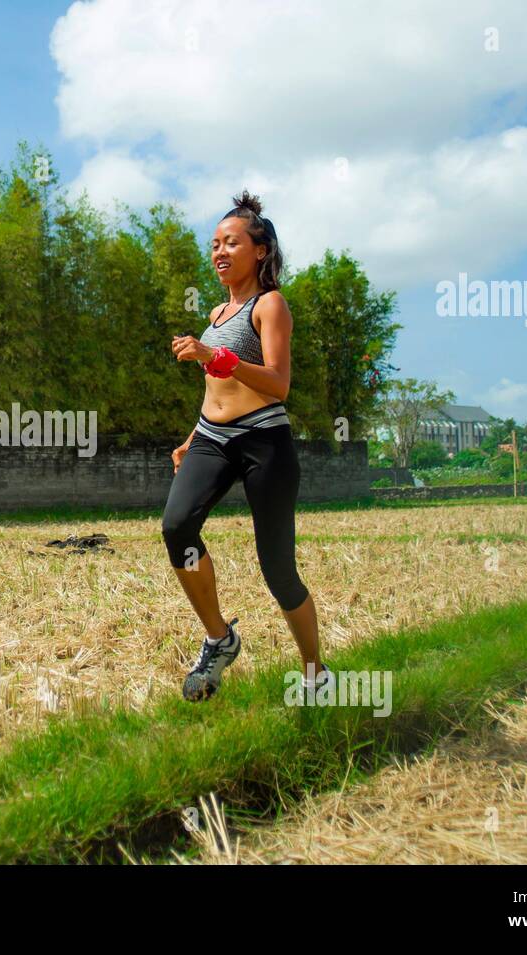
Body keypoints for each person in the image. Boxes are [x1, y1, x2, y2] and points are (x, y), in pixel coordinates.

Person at [165, 190, 333, 702]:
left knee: (277, 567)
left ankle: (314, 672)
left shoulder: (270, 305)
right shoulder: (216, 312)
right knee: (177, 528)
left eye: (231, 243)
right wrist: (193, 437)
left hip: (265, 440)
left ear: (260, 251)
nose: (219, 252)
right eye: (214, 243)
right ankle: (220, 638)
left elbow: (277, 383)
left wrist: (213, 355)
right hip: (213, 440)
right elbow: (219, 388)